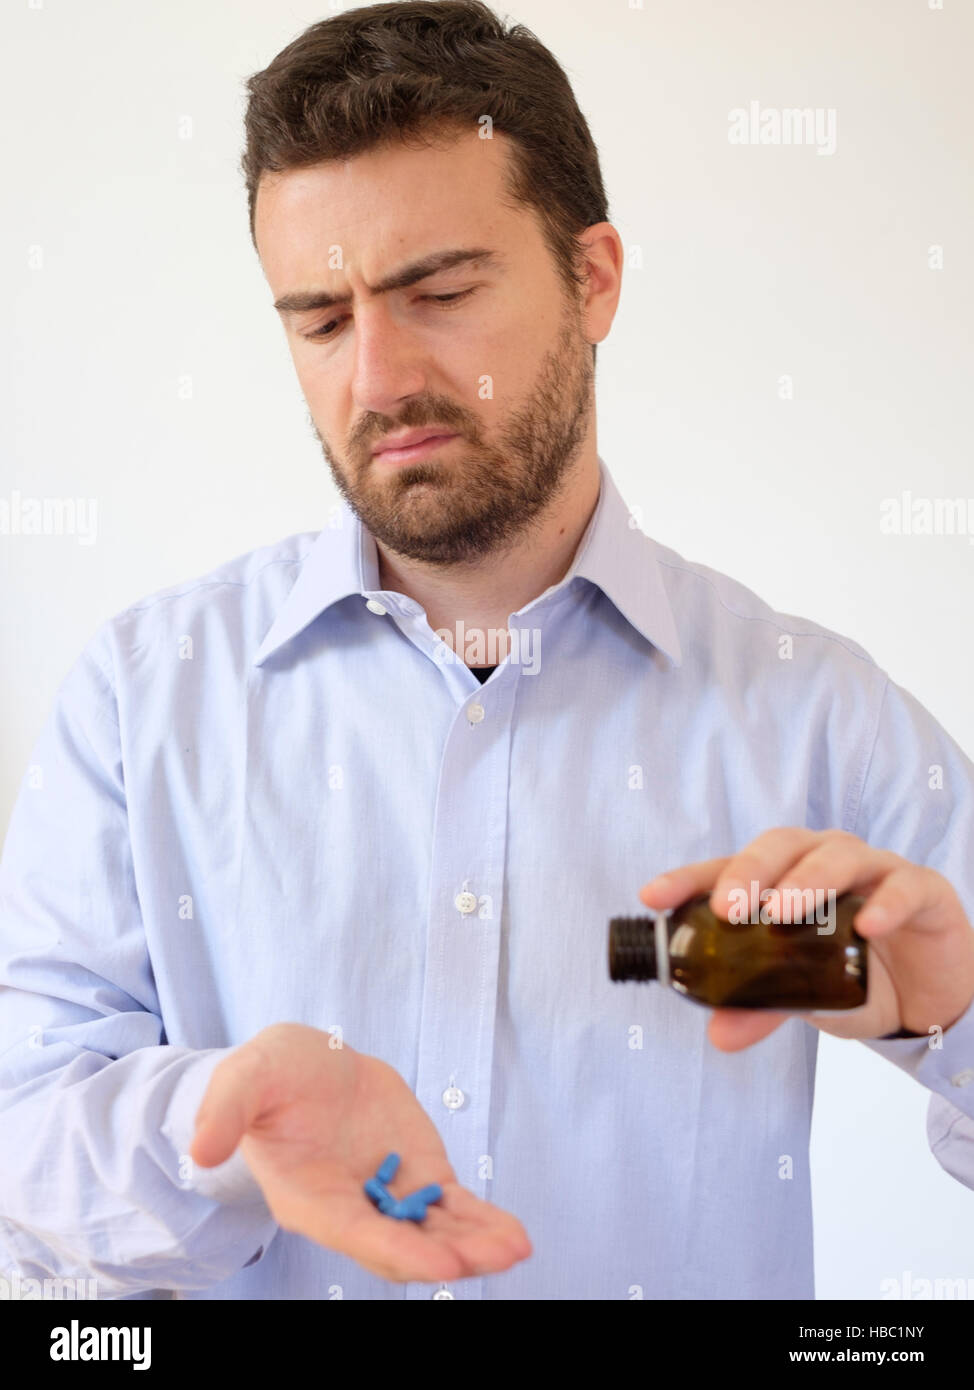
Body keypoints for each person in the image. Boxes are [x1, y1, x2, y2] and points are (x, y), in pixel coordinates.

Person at [1, 0, 973, 1302]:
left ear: (594, 279)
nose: (379, 376)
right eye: (321, 318)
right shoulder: (139, 701)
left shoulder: (816, 717)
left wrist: (955, 1014)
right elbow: (21, 1159)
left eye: (438, 291)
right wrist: (215, 1127)